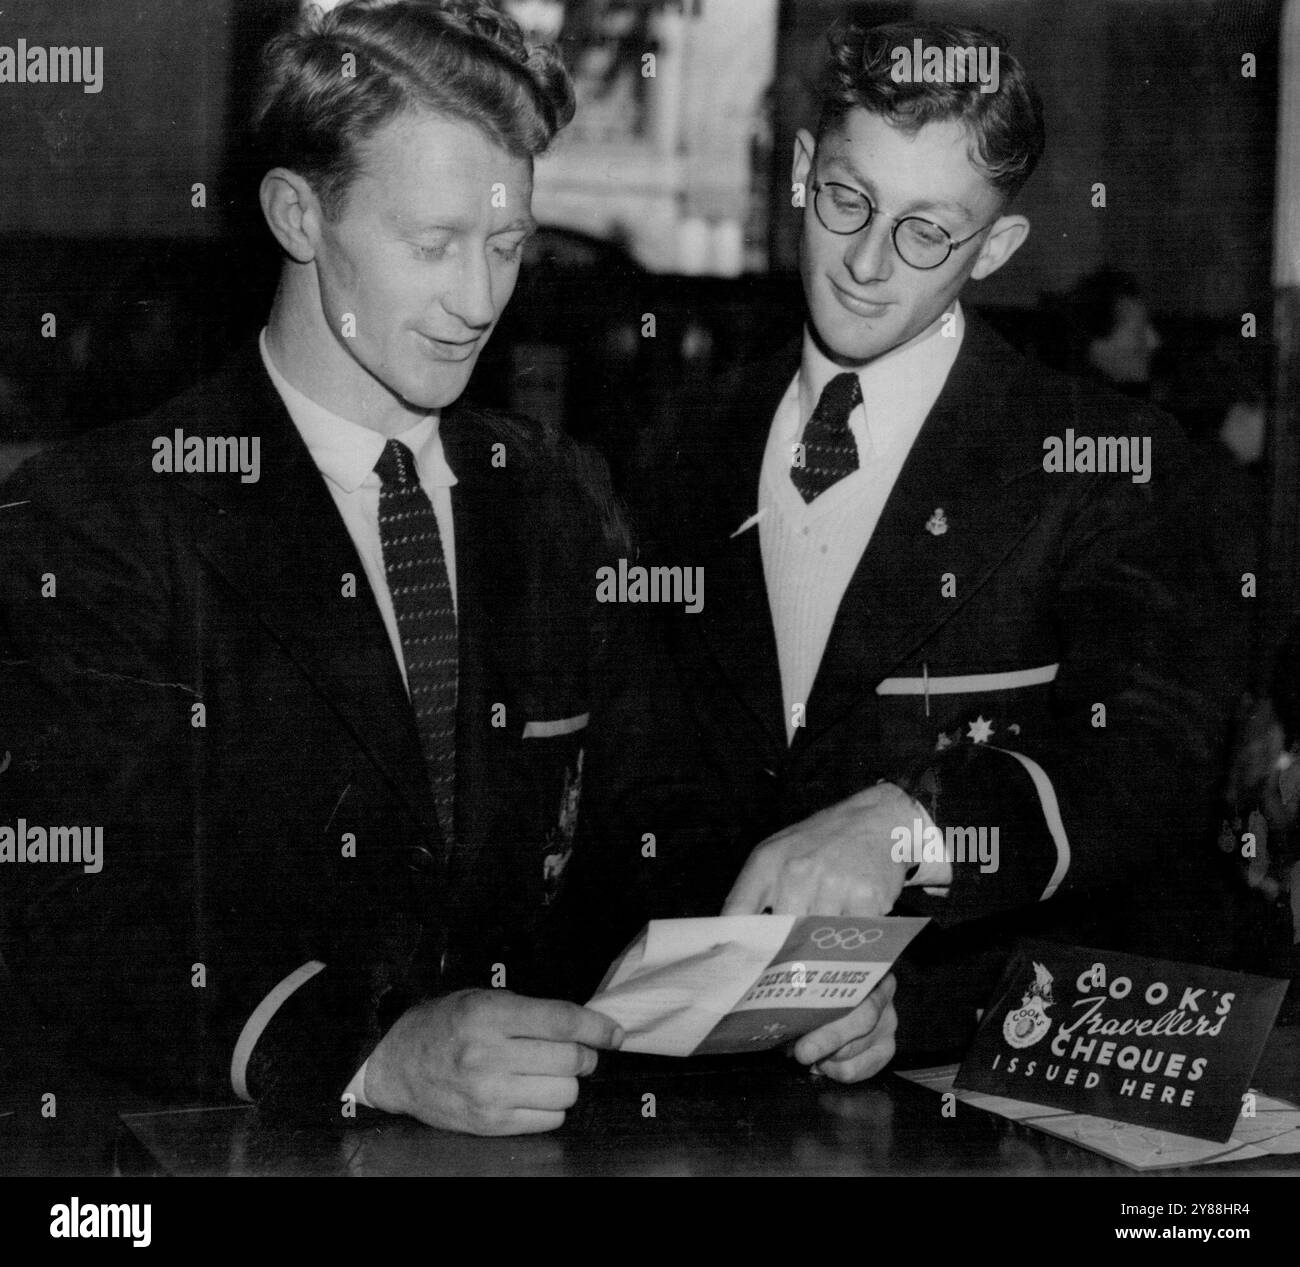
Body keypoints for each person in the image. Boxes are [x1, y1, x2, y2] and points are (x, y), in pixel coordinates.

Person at [0, 0, 629, 1136]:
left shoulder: (560, 497)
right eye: (432, 246)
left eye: (506, 246)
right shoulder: (98, 519)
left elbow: (632, 829)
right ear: (298, 214)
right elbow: (74, 902)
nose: (480, 302)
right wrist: (371, 1052)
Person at [572, 17, 1231, 1068]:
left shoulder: (1101, 455)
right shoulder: (684, 444)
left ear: (996, 247)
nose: (869, 264)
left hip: (966, 1076)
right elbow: (651, 772)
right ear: (800, 171)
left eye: (929, 232)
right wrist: (720, 981)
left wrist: (908, 832)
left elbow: (1148, 762)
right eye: (847, 200)